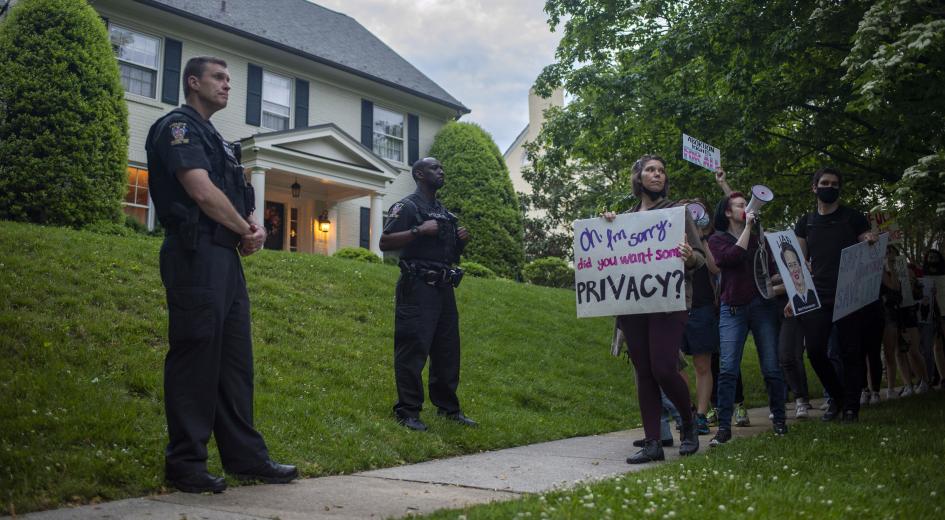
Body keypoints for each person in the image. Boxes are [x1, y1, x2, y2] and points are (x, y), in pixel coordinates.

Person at [146, 56, 297, 493]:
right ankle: (186, 464)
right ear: (193, 82)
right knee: (196, 357)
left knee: (235, 363)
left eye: (230, 79)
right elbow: (199, 189)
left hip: (225, 259)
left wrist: (255, 226)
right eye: (218, 77)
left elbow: (238, 195)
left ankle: (246, 458)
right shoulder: (178, 127)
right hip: (194, 255)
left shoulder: (221, 141)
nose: (228, 85)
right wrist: (243, 227)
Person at [603, 154, 705, 463]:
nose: (657, 175)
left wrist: (688, 256)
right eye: (650, 170)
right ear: (638, 178)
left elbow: (700, 259)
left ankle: (687, 422)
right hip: (634, 303)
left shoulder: (677, 213)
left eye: (661, 171)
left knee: (663, 367)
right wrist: (609, 227)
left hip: (670, 300)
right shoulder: (626, 218)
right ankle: (652, 443)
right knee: (644, 372)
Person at [380, 157, 475, 431]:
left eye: (442, 167)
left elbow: (448, 255)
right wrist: (418, 229)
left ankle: (448, 409)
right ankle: (407, 411)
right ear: (419, 174)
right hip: (417, 288)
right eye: (435, 168)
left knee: (447, 351)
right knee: (413, 348)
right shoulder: (407, 206)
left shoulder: (445, 213)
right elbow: (384, 242)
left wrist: (461, 243)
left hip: (444, 289)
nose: (441, 171)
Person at [791, 167, 878, 422]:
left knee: (852, 351)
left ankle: (851, 406)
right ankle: (838, 396)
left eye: (835, 183)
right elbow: (797, 262)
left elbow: (865, 237)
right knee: (816, 351)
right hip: (818, 295)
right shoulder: (805, 222)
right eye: (825, 183)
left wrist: (870, 238)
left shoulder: (852, 217)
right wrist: (792, 297)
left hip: (850, 294)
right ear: (814, 187)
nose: (830, 187)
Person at [708, 191, 788, 446]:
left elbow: (771, 273)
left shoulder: (758, 239)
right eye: (741, 205)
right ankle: (724, 428)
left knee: (772, 367)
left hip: (762, 307)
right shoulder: (717, 239)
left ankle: (780, 420)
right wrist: (749, 228)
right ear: (728, 212)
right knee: (728, 369)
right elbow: (730, 257)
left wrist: (794, 272)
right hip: (732, 309)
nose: (747, 208)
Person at [679, 199, 720, 435]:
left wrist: (701, 235)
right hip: (675, 304)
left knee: (702, 364)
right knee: (673, 363)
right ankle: (688, 411)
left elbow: (715, 268)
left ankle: (702, 416)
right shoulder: (671, 233)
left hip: (702, 305)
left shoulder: (709, 239)